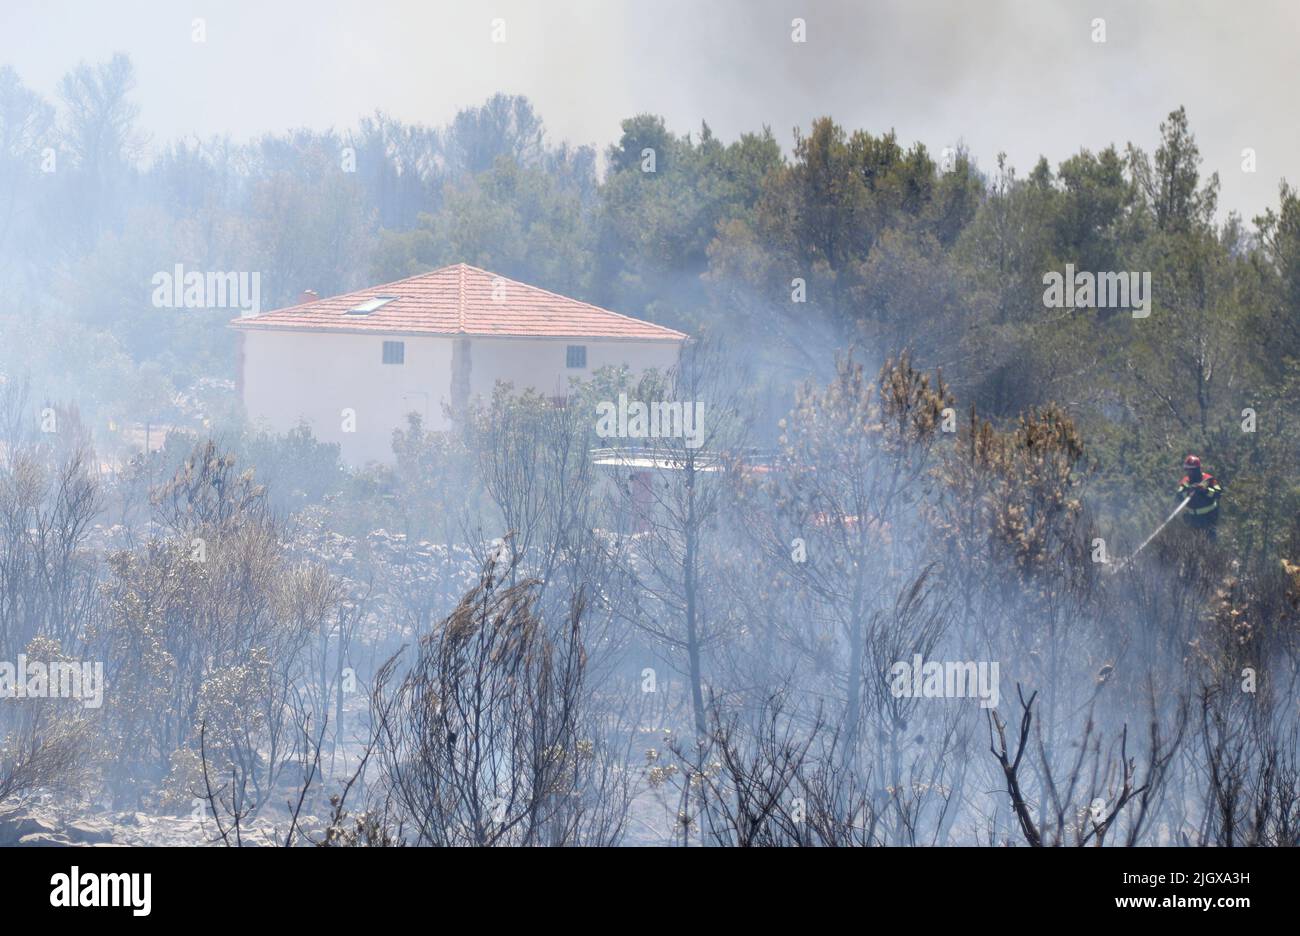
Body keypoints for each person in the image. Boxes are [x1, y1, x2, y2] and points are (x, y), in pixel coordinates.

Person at [1177, 455, 1222, 540]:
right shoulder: (1186, 481)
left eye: (1191, 470)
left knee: (1210, 545)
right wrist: (1189, 491)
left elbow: (1218, 493)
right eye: (1187, 470)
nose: (1189, 473)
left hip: (1209, 519)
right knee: (1193, 547)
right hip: (1192, 520)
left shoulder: (1209, 480)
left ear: (1197, 469)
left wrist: (1205, 490)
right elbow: (1179, 495)